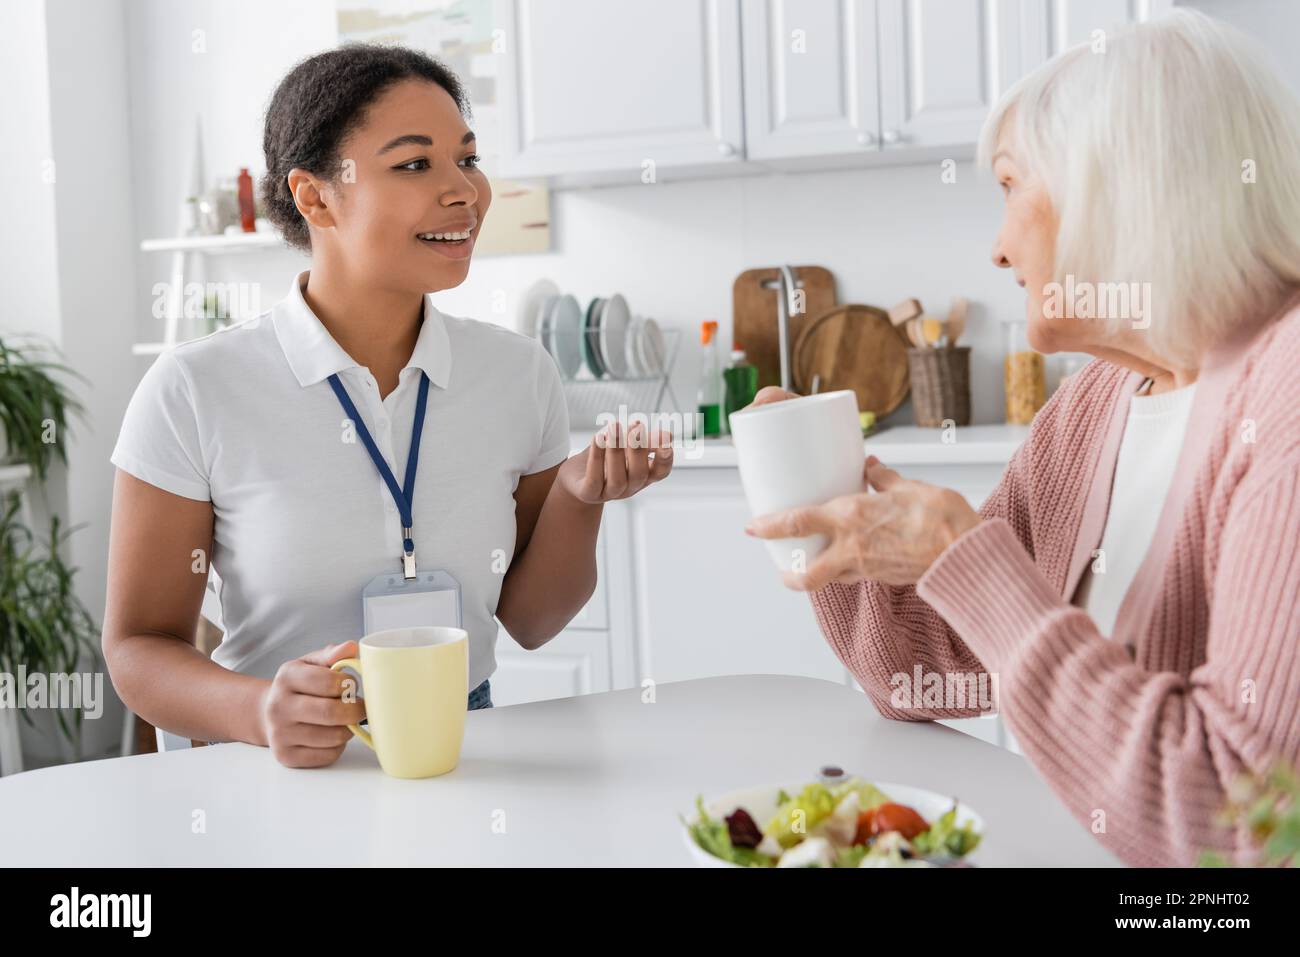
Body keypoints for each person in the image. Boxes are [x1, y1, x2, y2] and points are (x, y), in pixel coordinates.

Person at [746, 10, 1300, 866]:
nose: (999, 251)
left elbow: (1247, 823)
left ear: (1120, 188)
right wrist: (826, 497)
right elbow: (932, 670)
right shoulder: (1096, 401)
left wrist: (968, 558)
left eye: (1011, 187)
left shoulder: (1286, 387)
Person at [103, 46, 672, 768]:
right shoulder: (193, 389)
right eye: (414, 164)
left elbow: (532, 620)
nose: (464, 190)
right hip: (275, 754)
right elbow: (138, 648)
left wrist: (577, 496)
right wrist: (260, 711)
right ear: (314, 197)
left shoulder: (517, 373)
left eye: (467, 158)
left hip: (462, 743)